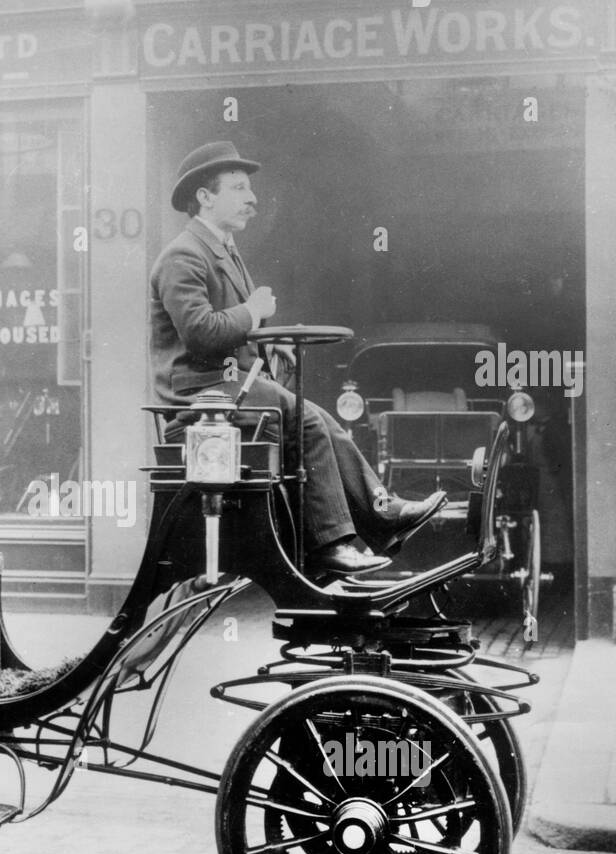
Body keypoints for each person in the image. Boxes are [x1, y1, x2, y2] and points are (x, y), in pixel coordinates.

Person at [150, 141, 446, 574]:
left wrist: (267, 339)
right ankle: (332, 545)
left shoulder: (222, 249)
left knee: (321, 419)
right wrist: (253, 313)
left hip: (230, 387)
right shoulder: (184, 254)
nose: (252, 199)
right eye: (238, 188)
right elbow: (200, 335)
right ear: (205, 197)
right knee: (304, 421)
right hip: (201, 398)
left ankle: (382, 514)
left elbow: (226, 330)